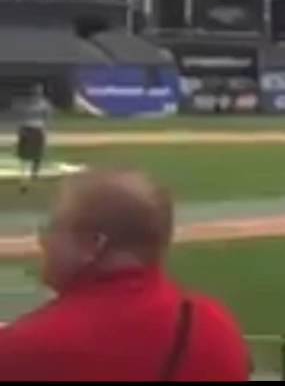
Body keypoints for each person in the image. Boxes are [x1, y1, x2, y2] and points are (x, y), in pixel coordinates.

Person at [0, 170, 251, 381]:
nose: (43, 242)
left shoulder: (24, 347)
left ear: (92, 244)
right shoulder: (216, 325)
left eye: (53, 229)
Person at [14, 83, 51, 195]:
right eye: (35, 91)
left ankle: (33, 175)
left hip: (36, 130)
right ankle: (25, 179)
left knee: (37, 155)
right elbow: (21, 117)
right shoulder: (27, 103)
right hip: (28, 129)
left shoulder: (44, 104)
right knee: (25, 156)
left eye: (38, 91)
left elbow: (47, 118)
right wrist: (21, 130)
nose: (36, 93)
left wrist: (44, 129)